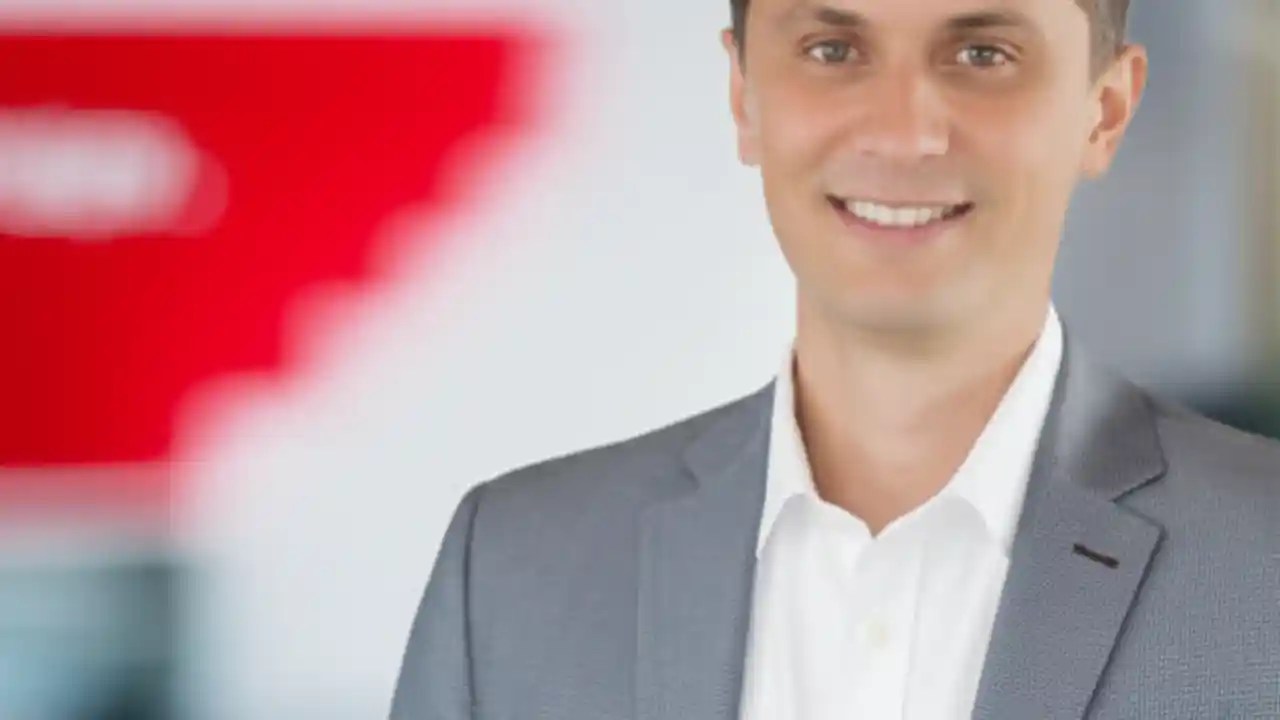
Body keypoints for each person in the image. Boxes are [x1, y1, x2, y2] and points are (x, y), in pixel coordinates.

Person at [391, 0, 1280, 717]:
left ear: (1105, 110)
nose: (902, 134)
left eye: (982, 55)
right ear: (744, 95)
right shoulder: (512, 575)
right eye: (831, 48)